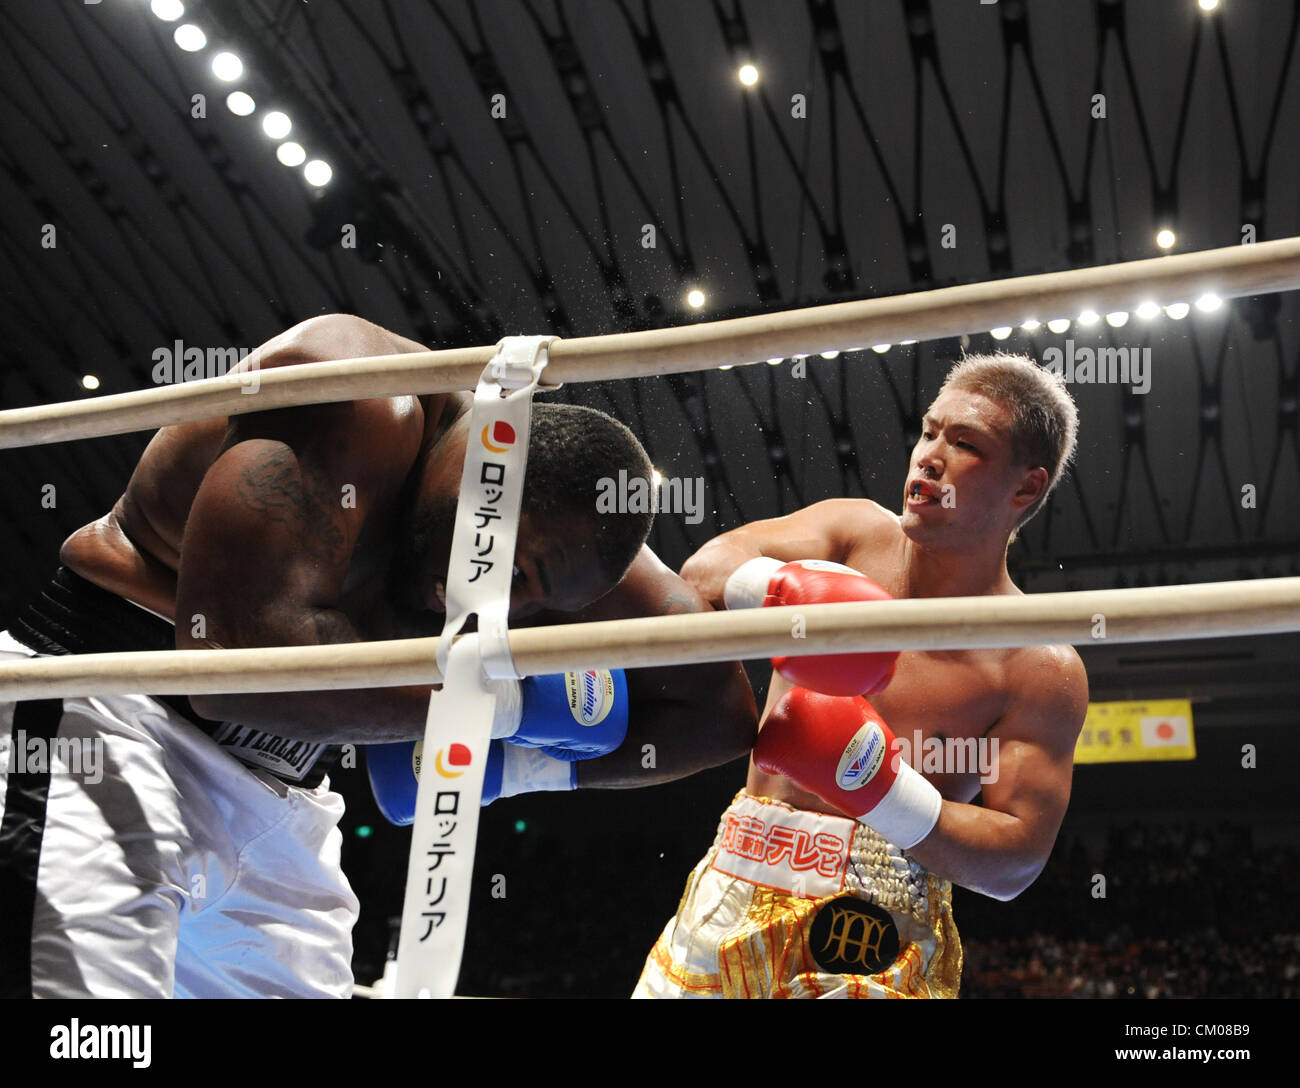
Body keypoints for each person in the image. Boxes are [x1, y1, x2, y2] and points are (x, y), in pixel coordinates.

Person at [0, 313, 757, 998]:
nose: (513, 614)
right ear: (494, 482)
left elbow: (719, 715)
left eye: (541, 608)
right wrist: (500, 707)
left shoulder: (563, 550)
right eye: (519, 580)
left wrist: (521, 763)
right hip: (108, 725)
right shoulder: (355, 394)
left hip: (283, 799)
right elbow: (235, 670)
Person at [634, 352, 1090, 999]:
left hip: (881, 925)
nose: (929, 456)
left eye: (965, 444)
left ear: (1025, 487)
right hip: (735, 879)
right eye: (929, 431)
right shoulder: (851, 535)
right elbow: (703, 570)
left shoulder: (1037, 664)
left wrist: (878, 789)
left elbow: (1016, 860)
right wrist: (783, 590)